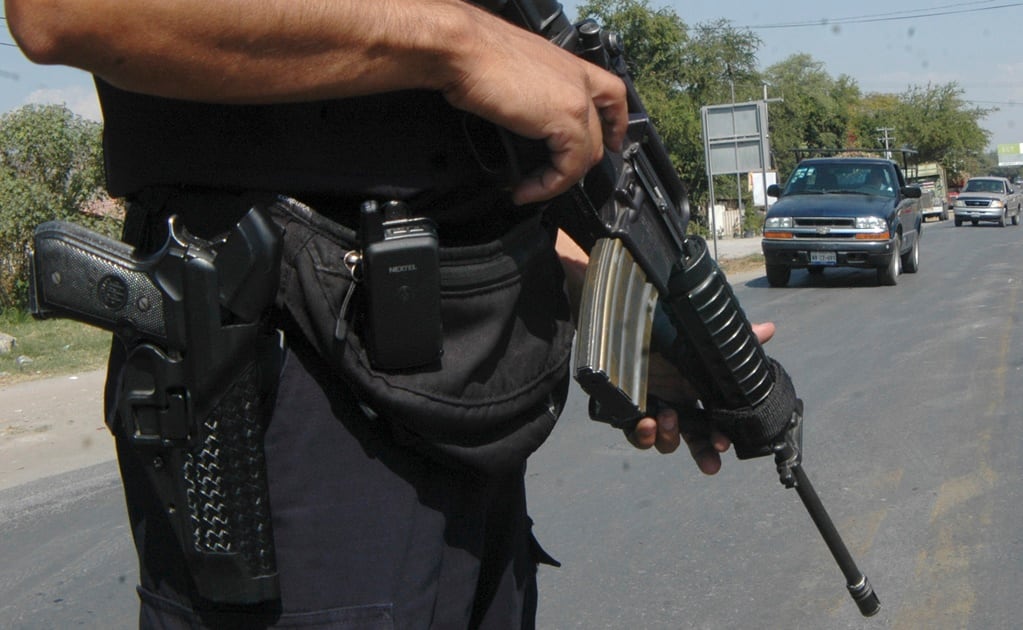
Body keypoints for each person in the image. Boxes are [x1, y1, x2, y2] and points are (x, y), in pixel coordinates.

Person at [7, 1, 774, 627]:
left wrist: (611, 311)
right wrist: (455, 42)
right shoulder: (448, 40)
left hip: (469, 401)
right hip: (281, 387)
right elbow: (62, 11)